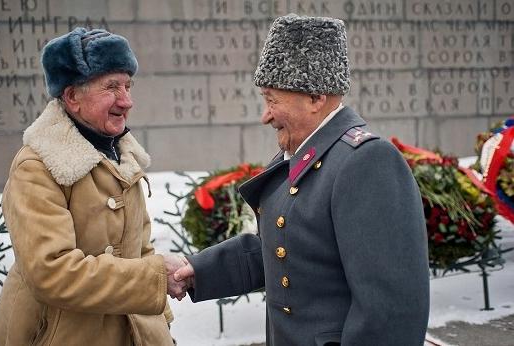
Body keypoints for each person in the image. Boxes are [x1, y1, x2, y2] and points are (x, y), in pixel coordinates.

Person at [174, 14, 430, 345]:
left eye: (272, 99)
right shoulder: (305, 157)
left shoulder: (366, 162)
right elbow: (288, 250)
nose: (265, 116)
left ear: (315, 97)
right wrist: (198, 270)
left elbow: (390, 311)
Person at [0, 27, 186, 345]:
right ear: (72, 97)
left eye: (127, 86)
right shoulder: (36, 168)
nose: (127, 101)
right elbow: (51, 271)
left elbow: (140, 251)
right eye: (112, 87)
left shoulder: (123, 157)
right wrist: (154, 277)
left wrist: (160, 329)